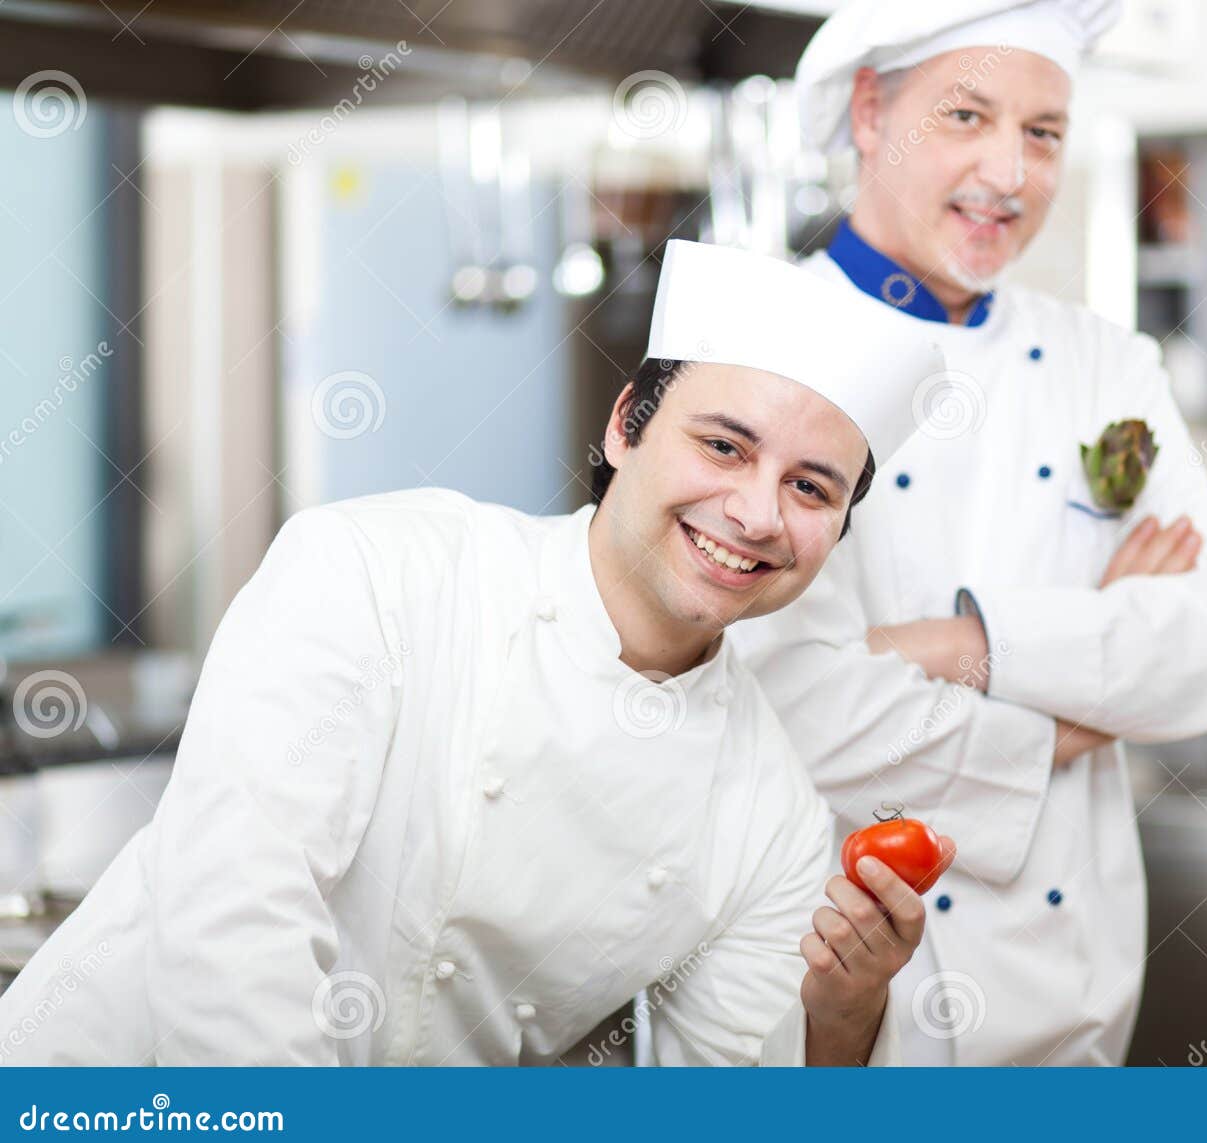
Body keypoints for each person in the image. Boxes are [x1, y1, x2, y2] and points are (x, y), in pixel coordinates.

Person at [0, 241, 954, 1067]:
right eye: (723, 446)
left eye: (813, 489)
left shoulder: (772, 817)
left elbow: (720, 1106)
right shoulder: (376, 574)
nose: (756, 513)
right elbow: (234, 926)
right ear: (626, 426)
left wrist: (845, 1008)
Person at [729, 0, 1207, 1065]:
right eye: (966, 115)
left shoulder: (1103, 364)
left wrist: (955, 647)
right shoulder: (760, 349)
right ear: (867, 110)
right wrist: (1088, 702)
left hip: (1071, 1014)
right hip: (829, 1012)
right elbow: (786, 711)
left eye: (1042, 132)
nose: (1009, 172)